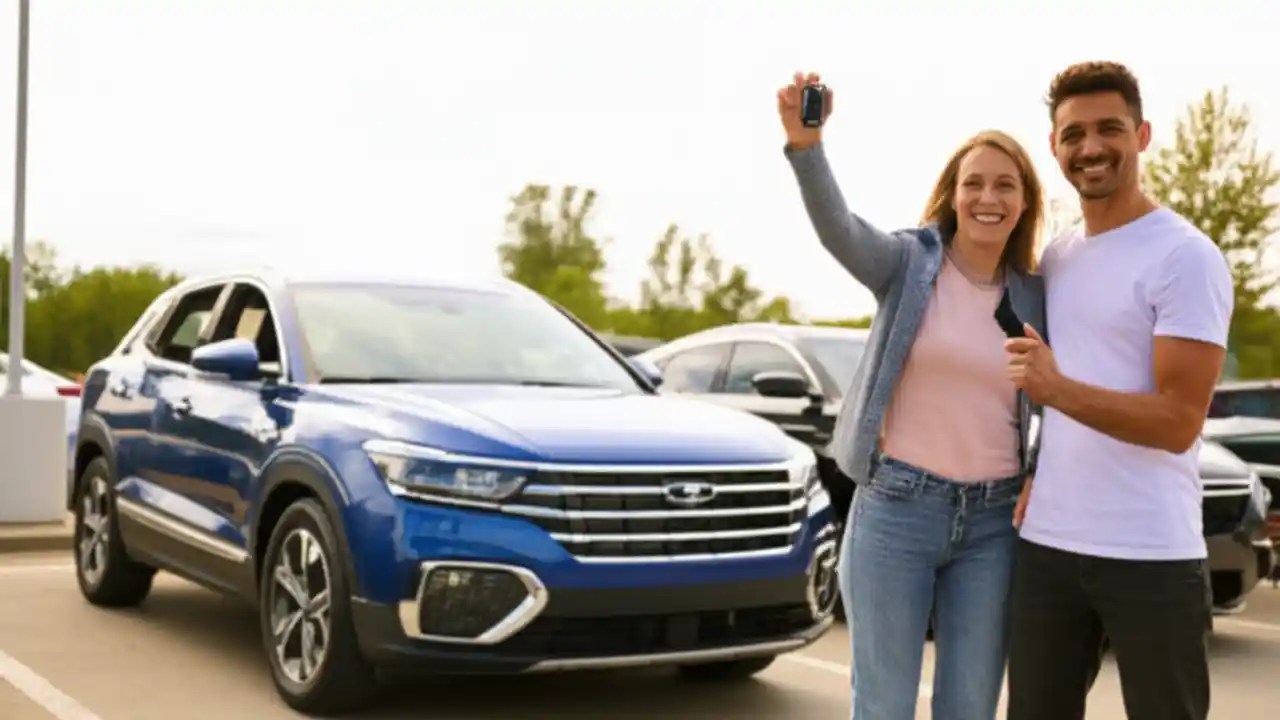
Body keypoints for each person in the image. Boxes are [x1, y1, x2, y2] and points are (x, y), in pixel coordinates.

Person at [777, 71, 1047, 720]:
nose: (988, 196)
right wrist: (805, 146)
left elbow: (1053, 401)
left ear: (1024, 202)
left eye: (1005, 185)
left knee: (970, 707)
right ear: (953, 196)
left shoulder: (1037, 293)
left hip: (993, 524)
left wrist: (1042, 474)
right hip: (898, 510)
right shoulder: (907, 263)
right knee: (885, 705)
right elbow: (838, 228)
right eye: (974, 183)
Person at [1003, 61, 1233, 720]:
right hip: (1048, 545)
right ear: (1055, 146)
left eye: (1109, 129)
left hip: (1150, 553)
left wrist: (1057, 387)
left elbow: (1176, 422)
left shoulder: (1184, 256)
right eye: (1074, 134)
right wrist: (1037, 469)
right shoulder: (1058, 256)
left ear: (1142, 135)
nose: (1091, 147)